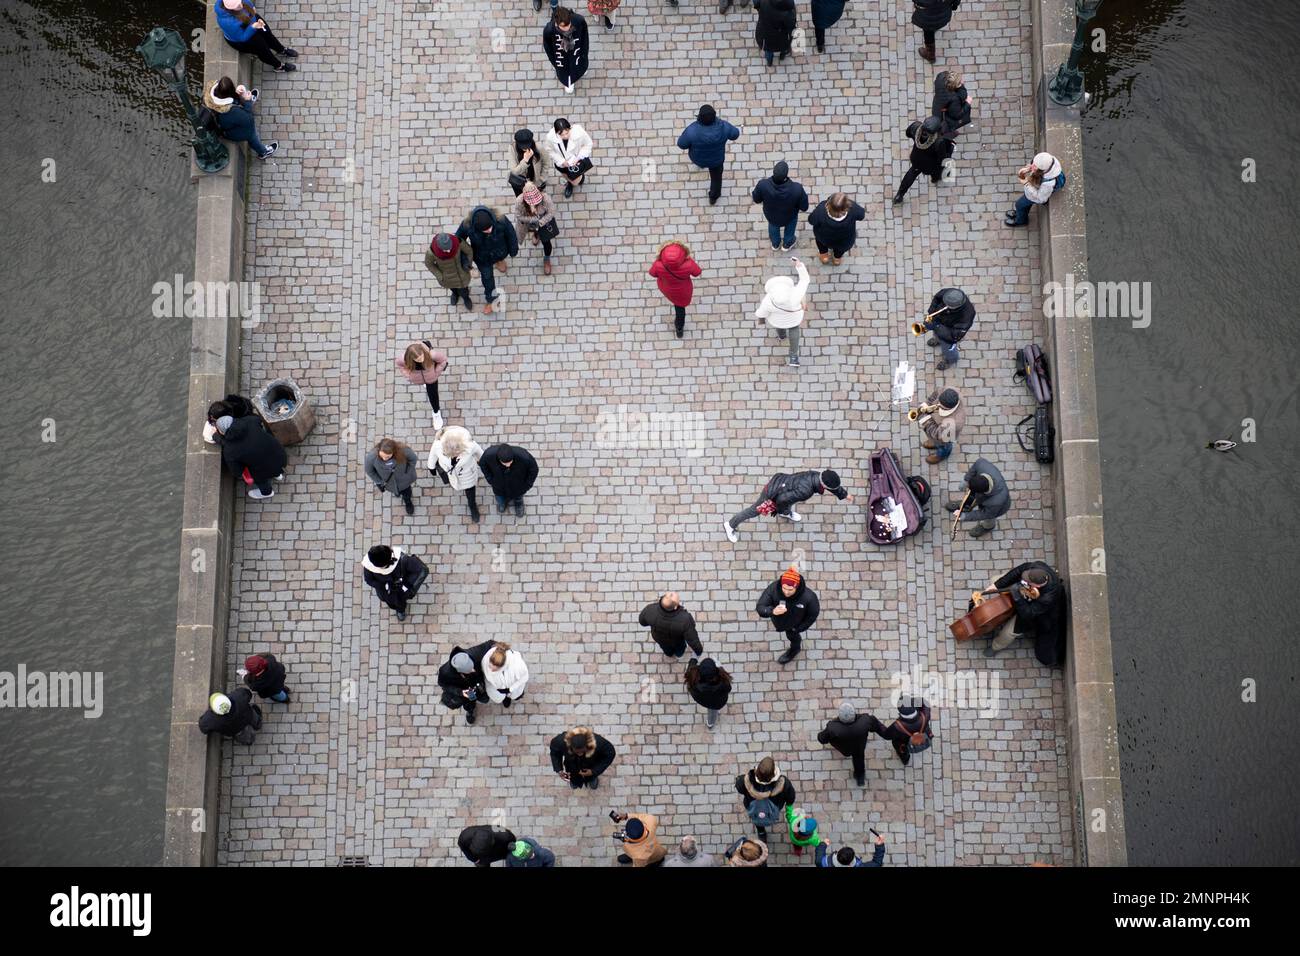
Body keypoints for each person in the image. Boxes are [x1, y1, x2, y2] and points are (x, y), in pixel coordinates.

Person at [724, 467, 853, 541]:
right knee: (754, 511)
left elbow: (831, 486)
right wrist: (776, 509)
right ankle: (730, 525)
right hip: (773, 494)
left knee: (787, 504)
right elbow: (782, 500)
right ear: (823, 484)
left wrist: (843, 494)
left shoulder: (817, 475)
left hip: (783, 483)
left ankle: (786, 513)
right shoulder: (806, 491)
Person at [978, 561, 1066, 663]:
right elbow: (1017, 572)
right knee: (995, 580)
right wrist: (996, 586)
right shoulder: (1036, 566)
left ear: (1036, 586)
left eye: (1027, 580)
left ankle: (995, 647)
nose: (1024, 579)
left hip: (1032, 612)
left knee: (1007, 634)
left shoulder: (1048, 597)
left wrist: (1018, 597)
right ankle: (1004, 603)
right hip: (1021, 593)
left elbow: (1028, 614)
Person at [455, 206, 518, 314]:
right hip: (482, 257)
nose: (489, 230)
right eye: (485, 230)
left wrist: (513, 250)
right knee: (487, 278)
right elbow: (458, 241)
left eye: (490, 227)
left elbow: (511, 235)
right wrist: (466, 259)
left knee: (500, 259)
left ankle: (499, 262)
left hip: (500, 251)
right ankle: (491, 300)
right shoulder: (467, 225)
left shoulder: (501, 220)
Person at [676, 105, 741, 206]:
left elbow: (681, 144)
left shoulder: (692, 130)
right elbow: (735, 134)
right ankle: (713, 197)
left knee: (702, 163)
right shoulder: (723, 126)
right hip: (716, 160)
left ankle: (701, 166)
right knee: (716, 179)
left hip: (698, 158)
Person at [755, 565, 820, 664]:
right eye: (784, 588)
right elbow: (760, 607)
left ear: (796, 587)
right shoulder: (773, 588)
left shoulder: (809, 597)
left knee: (794, 638)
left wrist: (797, 629)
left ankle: (794, 650)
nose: (786, 592)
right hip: (779, 620)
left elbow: (812, 615)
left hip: (794, 626)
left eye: (790, 590)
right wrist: (772, 611)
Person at [755, 255, 810, 367]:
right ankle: (793, 357)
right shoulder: (795, 294)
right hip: (794, 318)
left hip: (777, 320)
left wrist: (761, 320)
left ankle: (781, 336)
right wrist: (799, 266)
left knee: (779, 327)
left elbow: (762, 312)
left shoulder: (769, 300)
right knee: (794, 330)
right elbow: (805, 280)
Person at [203, 77, 276, 159]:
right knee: (250, 133)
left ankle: (249, 100)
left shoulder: (211, 91)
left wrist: (238, 93)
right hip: (229, 132)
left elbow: (231, 100)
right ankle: (263, 152)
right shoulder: (231, 112)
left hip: (224, 125)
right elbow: (248, 119)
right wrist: (248, 102)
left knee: (241, 109)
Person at [216, 414, 286, 500]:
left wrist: (216, 437)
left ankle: (266, 492)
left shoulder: (230, 450)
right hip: (279, 453)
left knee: (261, 479)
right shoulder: (250, 421)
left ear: (223, 432)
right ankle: (278, 474)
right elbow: (258, 420)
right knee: (272, 460)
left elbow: (237, 471)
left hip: (264, 469)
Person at [215, 0, 298, 72]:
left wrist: (252, 7)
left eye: (240, 2)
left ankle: (281, 50)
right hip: (243, 38)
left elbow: (246, 2)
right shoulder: (227, 22)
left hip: (251, 20)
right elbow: (241, 37)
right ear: (230, 9)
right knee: (263, 50)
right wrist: (253, 27)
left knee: (268, 34)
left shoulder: (238, 3)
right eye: (237, 6)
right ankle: (278, 66)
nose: (241, 5)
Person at [428, 424, 485, 523]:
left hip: (467, 473)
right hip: (451, 474)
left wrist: (483, 464)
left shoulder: (470, 445)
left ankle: (472, 505)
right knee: (452, 481)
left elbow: (481, 455)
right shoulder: (438, 444)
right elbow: (433, 455)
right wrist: (431, 467)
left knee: (470, 490)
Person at [817, 701, 881, 786]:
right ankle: (860, 777)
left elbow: (822, 739)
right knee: (859, 760)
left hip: (845, 749)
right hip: (859, 747)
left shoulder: (832, 727)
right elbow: (876, 726)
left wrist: (834, 721)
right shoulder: (865, 721)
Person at [892, 116, 953, 205]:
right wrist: (950, 151)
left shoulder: (916, 127)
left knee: (912, 173)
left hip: (916, 159)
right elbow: (942, 159)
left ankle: (899, 195)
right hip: (929, 166)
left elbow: (908, 133)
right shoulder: (939, 142)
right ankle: (935, 178)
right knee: (937, 170)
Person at [944, 457, 1010, 537]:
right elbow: (974, 469)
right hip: (983, 493)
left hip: (996, 508)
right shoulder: (982, 464)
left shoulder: (996, 502)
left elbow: (985, 514)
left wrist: (965, 516)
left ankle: (987, 527)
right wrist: (966, 480)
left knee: (989, 519)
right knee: (971, 497)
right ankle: (965, 506)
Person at [751, 160, 809, 251]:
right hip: (790, 216)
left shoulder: (763, 185)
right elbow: (805, 207)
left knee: (773, 226)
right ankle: (787, 244)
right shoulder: (797, 189)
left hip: (772, 216)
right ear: (786, 176)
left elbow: (756, 199)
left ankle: (775, 244)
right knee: (790, 228)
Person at [649, 240, 702, 338]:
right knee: (680, 309)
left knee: (676, 303)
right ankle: (679, 329)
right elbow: (697, 272)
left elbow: (652, 274)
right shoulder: (689, 264)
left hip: (667, 289)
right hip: (683, 291)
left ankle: (679, 327)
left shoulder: (658, 265)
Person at [361, 545, 429, 621]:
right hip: (385, 591)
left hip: (401, 588)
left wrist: (409, 585)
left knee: (400, 601)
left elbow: (421, 570)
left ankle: (400, 610)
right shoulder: (369, 567)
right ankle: (398, 608)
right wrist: (384, 585)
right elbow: (369, 580)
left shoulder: (403, 560)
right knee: (389, 601)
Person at [735, 756, 796, 840]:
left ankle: (761, 832)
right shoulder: (784, 784)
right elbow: (790, 798)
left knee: (758, 819)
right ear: (774, 773)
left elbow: (740, 789)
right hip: (774, 807)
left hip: (753, 807)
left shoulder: (745, 780)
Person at [396, 338, 450, 429]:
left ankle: (436, 413)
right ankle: (424, 383)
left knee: (433, 396)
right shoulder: (404, 359)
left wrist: (436, 372)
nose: (421, 359)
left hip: (431, 379)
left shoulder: (431, 354)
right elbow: (400, 365)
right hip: (419, 379)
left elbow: (443, 361)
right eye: (417, 358)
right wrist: (408, 376)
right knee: (428, 387)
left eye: (421, 355)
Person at [918, 286, 974, 371]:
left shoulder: (967, 316)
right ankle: (937, 339)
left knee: (948, 349)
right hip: (940, 321)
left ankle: (950, 360)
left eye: (948, 305)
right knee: (936, 334)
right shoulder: (948, 293)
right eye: (945, 303)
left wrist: (936, 326)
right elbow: (936, 299)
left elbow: (954, 336)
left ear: (957, 306)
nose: (945, 306)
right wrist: (931, 313)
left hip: (949, 333)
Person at [437, 641, 493, 725]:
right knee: (468, 703)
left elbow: (491, 644)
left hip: (478, 683)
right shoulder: (445, 672)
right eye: (470, 670)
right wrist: (460, 692)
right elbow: (444, 685)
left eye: (473, 667)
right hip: (463, 690)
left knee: (484, 699)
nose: (473, 670)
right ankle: (470, 710)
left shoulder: (474, 653)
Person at [1007, 152, 1066, 227]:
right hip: (1034, 189)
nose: (1032, 166)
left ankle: (1021, 221)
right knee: (1024, 207)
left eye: (1035, 166)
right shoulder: (1046, 164)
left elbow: (1041, 198)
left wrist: (1026, 184)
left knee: (1019, 205)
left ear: (1041, 170)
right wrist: (1028, 168)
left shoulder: (1048, 184)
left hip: (1034, 195)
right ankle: (1021, 214)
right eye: (1033, 163)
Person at [479, 443, 539, 517]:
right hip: (498, 485)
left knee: (518, 497)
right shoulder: (489, 455)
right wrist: (490, 479)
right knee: (499, 496)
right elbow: (482, 464)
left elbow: (534, 469)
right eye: (505, 463)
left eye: (510, 462)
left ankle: (518, 505)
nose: (508, 465)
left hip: (518, 485)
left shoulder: (523, 456)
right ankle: (502, 504)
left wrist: (527, 485)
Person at [512, 181, 559, 275]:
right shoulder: (519, 201)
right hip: (530, 223)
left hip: (543, 223)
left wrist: (541, 221)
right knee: (534, 229)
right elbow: (518, 216)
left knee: (547, 243)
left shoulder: (545, 199)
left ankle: (547, 258)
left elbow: (551, 212)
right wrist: (532, 219)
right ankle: (536, 234)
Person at [807, 191, 866, 265]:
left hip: (824, 238)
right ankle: (836, 260)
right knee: (840, 251)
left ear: (829, 204)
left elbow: (811, 220)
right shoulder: (853, 209)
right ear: (847, 205)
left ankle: (824, 258)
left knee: (822, 246)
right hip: (845, 240)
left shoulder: (821, 211)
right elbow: (861, 215)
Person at [639, 592, 703, 659]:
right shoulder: (685, 620)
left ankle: (669, 654)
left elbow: (642, 622)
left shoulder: (649, 609)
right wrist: (699, 651)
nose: (673, 593)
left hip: (660, 639)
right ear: (675, 607)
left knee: (666, 649)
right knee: (680, 650)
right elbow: (692, 639)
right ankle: (679, 656)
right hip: (677, 642)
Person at [365, 438, 418, 516]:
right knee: (396, 491)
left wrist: (408, 472)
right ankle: (397, 492)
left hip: (404, 481)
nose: (384, 459)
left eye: (387, 457)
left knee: (407, 493)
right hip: (389, 483)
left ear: (394, 452)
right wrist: (379, 481)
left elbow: (413, 459)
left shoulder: (403, 450)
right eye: (382, 456)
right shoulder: (371, 458)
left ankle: (408, 502)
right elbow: (370, 471)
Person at [549, 725, 616, 788]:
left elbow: (610, 753)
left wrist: (594, 771)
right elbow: (555, 753)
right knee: (573, 776)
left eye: (583, 751)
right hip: (571, 765)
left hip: (591, 763)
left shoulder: (598, 742)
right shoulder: (560, 741)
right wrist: (559, 769)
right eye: (577, 752)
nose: (580, 754)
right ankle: (575, 782)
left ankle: (591, 779)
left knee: (591, 775)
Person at [423, 233, 473, 315]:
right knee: (452, 288)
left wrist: (468, 264)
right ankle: (455, 294)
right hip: (447, 278)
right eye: (446, 250)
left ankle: (466, 298)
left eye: (450, 248)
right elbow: (429, 264)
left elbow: (469, 251)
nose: (449, 251)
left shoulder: (458, 242)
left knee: (464, 290)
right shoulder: (432, 252)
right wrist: (440, 275)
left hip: (461, 274)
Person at [544, 118, 594, 199]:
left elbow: (588, 144)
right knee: (567, 176)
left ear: (570, 128)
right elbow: (549, 150)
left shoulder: (579, 131)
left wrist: (579, 157)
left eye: (567, 133)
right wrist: (562, 161)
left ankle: (577, 179)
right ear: (556, 132)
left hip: (575, 162)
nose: (565, 136)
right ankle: (569, 184)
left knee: (576, 181)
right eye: (561, 135)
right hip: (562, 164)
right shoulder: (550, 137)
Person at [543, 7, 589, 93]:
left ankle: (581, 70)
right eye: (564, 26)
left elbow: (585, 38)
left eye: (568, 24)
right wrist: (555, 63)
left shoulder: (579, 21)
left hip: (577, 52)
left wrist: (584, 54)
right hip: (561, 57)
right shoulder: (549, 30)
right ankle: (569, 81)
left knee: (580, 64)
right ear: (557, 24)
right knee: (564, 70)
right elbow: (548, 48)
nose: (567, 28)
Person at [873, 700, 933, 766]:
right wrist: (912, 700)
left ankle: (906, 760)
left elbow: (886, 735)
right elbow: (924, 702)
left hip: (904, 744)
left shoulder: (896, 726)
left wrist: (875, 722)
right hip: (924, 735)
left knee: (902, 752)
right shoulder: (925, 714)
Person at [916, 387, 964, 464]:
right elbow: (934, 396)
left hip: (946, 437)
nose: (937, 405)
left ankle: (941, 455)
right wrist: (925, 404)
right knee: (934, 439)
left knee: (944, 446)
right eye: (938, 402)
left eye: (941, 406)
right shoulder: (946, 390)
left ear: (948, 408)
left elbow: (938, 435)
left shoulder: (955, 422)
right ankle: (934, 442)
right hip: (937, 424)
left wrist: (924, 418)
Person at [684, 657, 731, 729]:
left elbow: (690, 670)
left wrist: (693, 660)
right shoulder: (722, 683)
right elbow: (728, 688)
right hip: (717, 702)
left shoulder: (694, 681)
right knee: (713, 711)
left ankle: (710, 722)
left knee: (712, 709)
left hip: (703, 700)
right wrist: (721, 667)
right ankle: (710, 723)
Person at [483, 642, 530, 707]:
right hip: (497, 689)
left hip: (512, 687)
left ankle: (508, 697)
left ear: (502, 666)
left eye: (494, 669)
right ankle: (504, 698)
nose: (491, 670)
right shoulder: (486, 660)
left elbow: (524, 677)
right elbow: (487, 679)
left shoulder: (518, 665)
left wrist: (510, 689)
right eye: (490, 666)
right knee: (499, 697)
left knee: (515, 695)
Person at [506, 128, 550, 197]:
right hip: (519, 181)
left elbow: (546, 163)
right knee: (522, 200)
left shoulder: (539, 148)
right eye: (522, 146)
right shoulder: (512, 149)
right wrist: (525, 160)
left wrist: (541, 179)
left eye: (527, 145)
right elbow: (514, 172)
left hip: (535, 180)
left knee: (536, 200)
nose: (525, 148)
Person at [754, 0, 797, 68]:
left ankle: (769, 62)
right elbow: (791, 27)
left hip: (766, 35)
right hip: (782, 37)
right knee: (784, 47)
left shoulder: (764, 2)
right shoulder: (788, 12)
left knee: (768, 50)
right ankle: (782, 56)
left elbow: (756, 4)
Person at [932, 68, 973, 138]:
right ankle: (947, 135)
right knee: (946, 128)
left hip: (937, 106)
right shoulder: (954, 99)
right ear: (953, 86)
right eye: (959, 83)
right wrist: (967, 103)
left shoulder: (941, 77)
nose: (963, 82)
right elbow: (957, 115)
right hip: (944, 116)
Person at [816, 832, 887, 867]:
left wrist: (823, 844)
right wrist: (879, 845)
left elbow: (819, 852)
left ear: (837, 854)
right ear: (850, 863)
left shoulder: (823, 863)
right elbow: (877, 863)